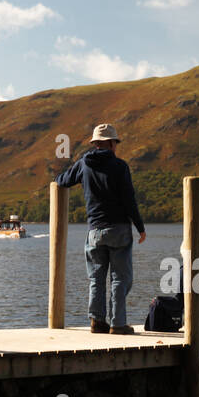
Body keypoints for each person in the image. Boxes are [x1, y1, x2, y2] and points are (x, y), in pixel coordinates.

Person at [55, 123, 146, 334]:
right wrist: (140, 227)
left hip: (94, 231)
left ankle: (96, 321)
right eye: (115, 143)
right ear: (111, 143)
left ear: (95, 143)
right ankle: (118, 323)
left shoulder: (84, 164)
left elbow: (62, 181)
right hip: (119, 230)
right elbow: (129, 200)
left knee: (96, 277)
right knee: (120, 278)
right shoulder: (120, 166)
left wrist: (58, 177)